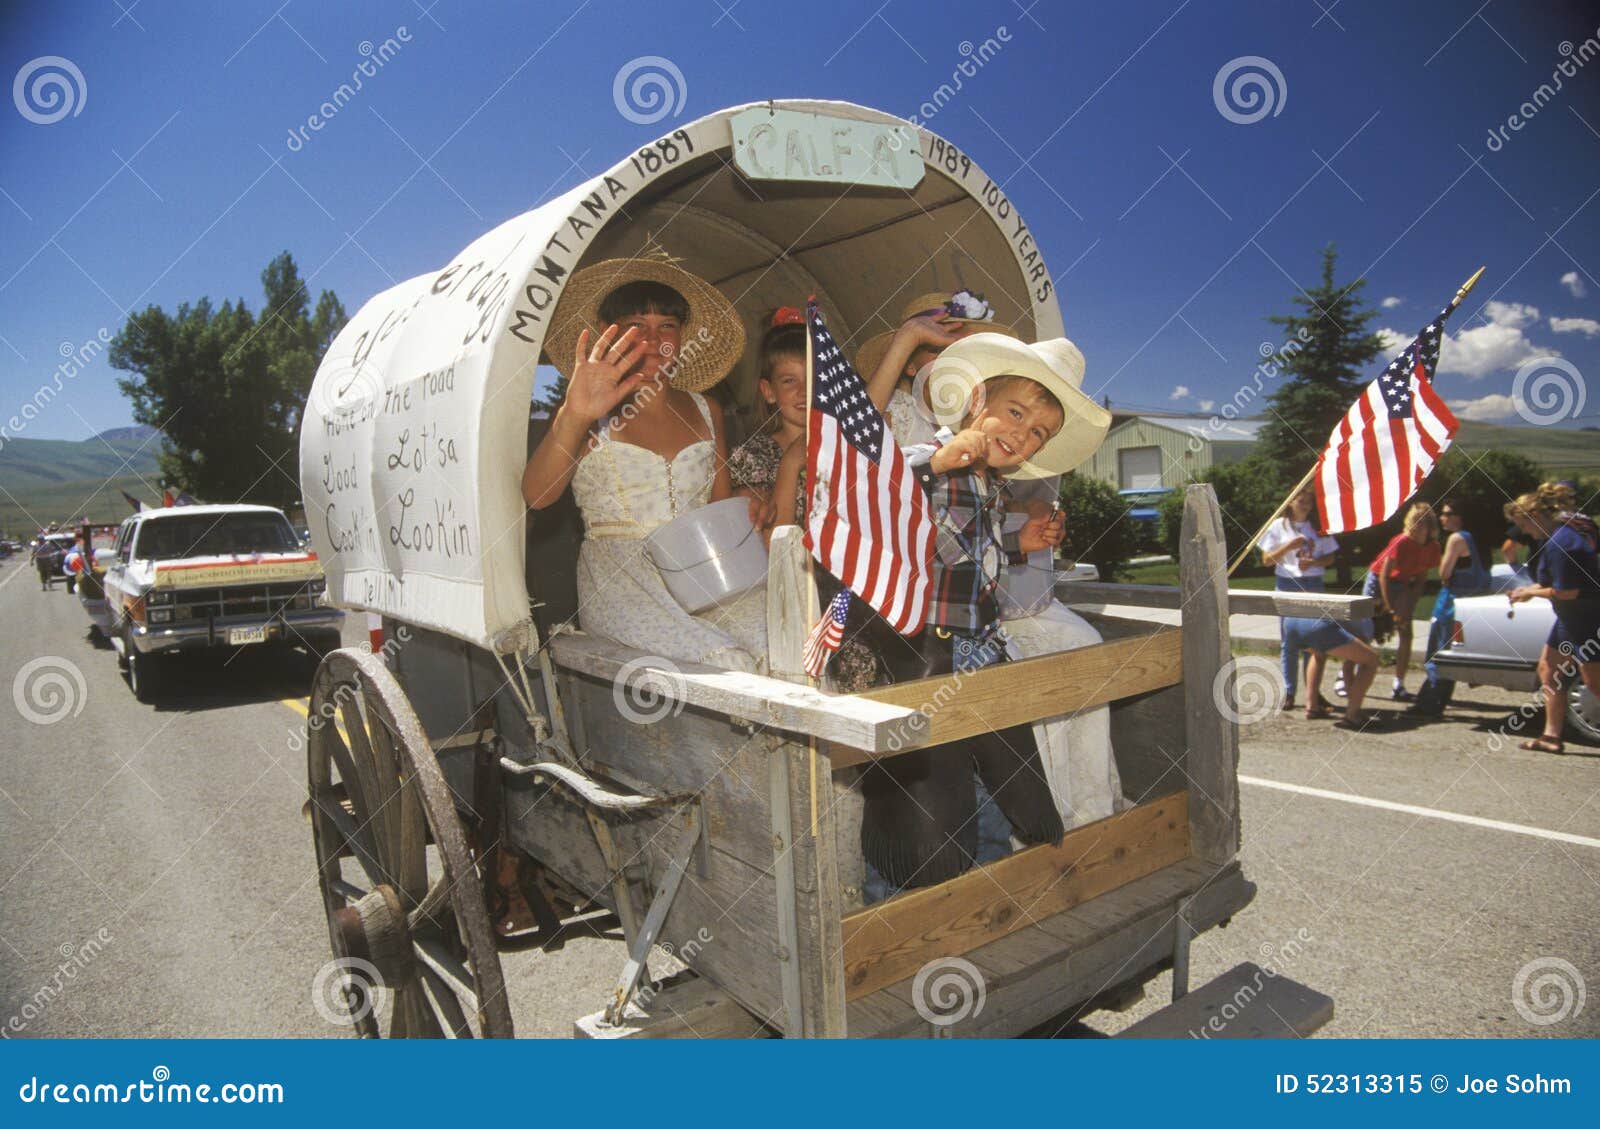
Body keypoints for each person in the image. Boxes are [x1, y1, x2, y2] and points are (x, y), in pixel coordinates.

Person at [856, 333, 1108, 899]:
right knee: (918, 796)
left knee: (991, 784)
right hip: (923, 654)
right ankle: (895, 910)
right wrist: (935, 463)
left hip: (978, 649)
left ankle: (986, 901)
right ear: (975, 401)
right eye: (1015, 413)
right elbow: (878, 486)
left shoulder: (989, 485)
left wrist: (1019, 545)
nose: (1022, 434)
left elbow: (964, 552)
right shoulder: (933, 457)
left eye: (1038, 432)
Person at [520, 256, 766, 673]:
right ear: (607, 333)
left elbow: (718, 507)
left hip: (705, 569)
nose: (653, 339)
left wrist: (749, 505)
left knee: (782, 644)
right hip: (622, 581)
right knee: (725, 661)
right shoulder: (584, 412)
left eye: (666, 325)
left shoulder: (707, 409)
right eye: (636, 325)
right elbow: (538, 495)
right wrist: (574, 416)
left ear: (683, 336)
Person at [1505, 484, 1600, 754]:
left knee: (1595, 683)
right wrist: (1527, 590)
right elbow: (1556, 585)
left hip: (1588, 619)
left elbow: (1567, 592)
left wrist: (1530, 593)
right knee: (1549, 669)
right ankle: (1551, 736)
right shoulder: (1560, 535)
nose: (1524, 531)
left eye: (1523, 524)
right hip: (1569, 619)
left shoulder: (1561, 544)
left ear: (1536, 516)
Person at [1346, 501, 1440, 703]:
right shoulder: (1401, 542)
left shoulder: (1432, 547)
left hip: (1402, 583)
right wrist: (1388, 608)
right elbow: (1384, 576)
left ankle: (1399, 684)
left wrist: (1410, 603)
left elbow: (1422, 577)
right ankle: (1345, 676)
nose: (1417, 528)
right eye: (1414, 522)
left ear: (1430, 526)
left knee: (1406, 631)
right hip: (1379, 580)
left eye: (1422, 523)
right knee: (1366, 630)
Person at [1411, 499, 1492, 716]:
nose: (1442, 518)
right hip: (1471, 606)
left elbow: (1444, 573)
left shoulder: (1456, 539)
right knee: (1450, 654)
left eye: (1447, 514)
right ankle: (1438, 699)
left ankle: (1429, 702)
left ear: (1460, 517)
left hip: (1450, 605)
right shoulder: (1478, 539)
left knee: (1437, 653)